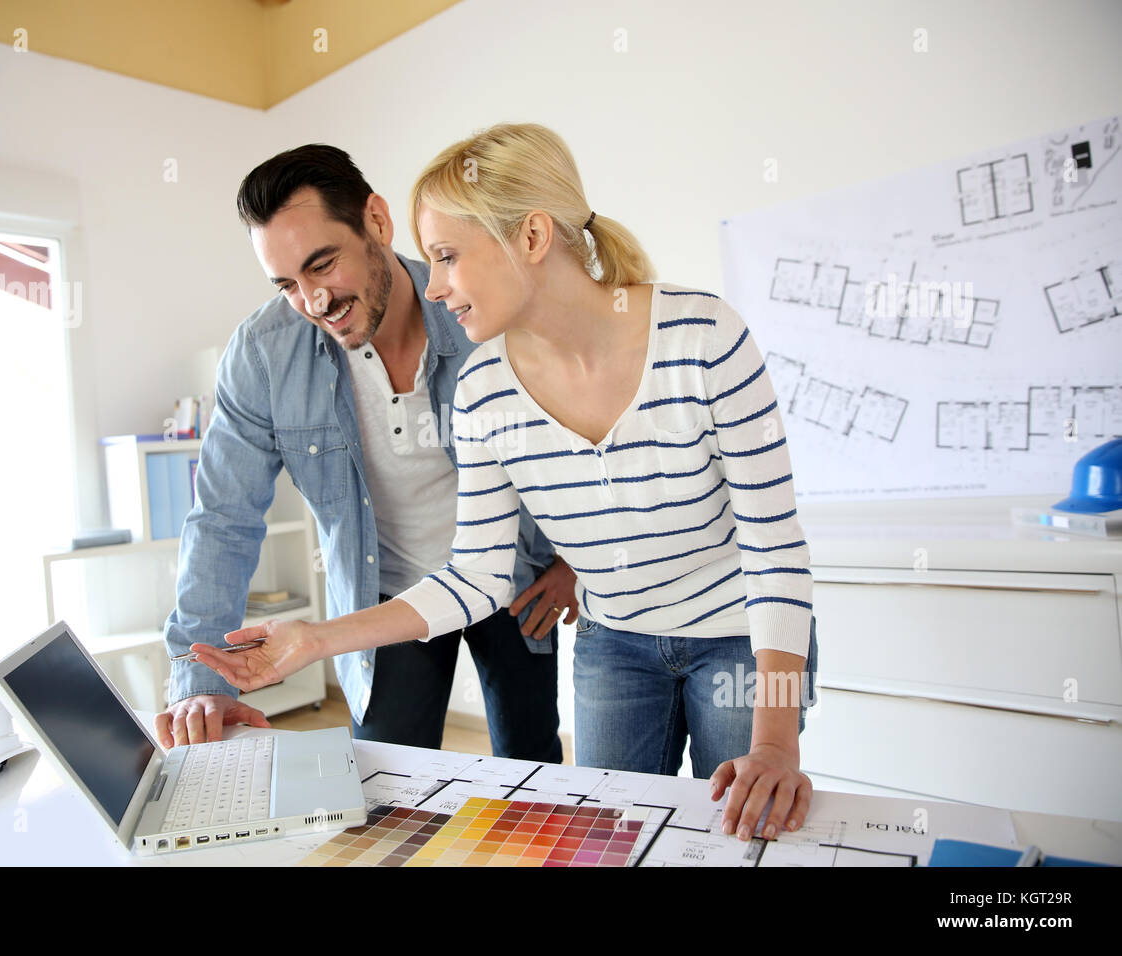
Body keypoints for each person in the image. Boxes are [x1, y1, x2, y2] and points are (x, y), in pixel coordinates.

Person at [188, 124, 820, 842]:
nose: (435, 285)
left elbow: (774, 552)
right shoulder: (485, 388)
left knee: (738, 833)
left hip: (737, 635)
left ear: (532, 236)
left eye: (449, 257)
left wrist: (774, 741)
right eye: (432, 260)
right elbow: (477, 577)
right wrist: (313, 641)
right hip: (614, 644)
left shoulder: (706, 338)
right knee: (604, 837)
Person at [156, 143, 575, 762]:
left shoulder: (478, 312)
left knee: (530, 760)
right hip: (383, 596)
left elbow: (568, 440)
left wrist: (572, 560)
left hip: (510, 579)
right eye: (287, 284)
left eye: (323, 265)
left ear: (377, 221)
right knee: (386, 782)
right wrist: (202, 681)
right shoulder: (263, 355)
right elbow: (223, 518)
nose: (313, 301)